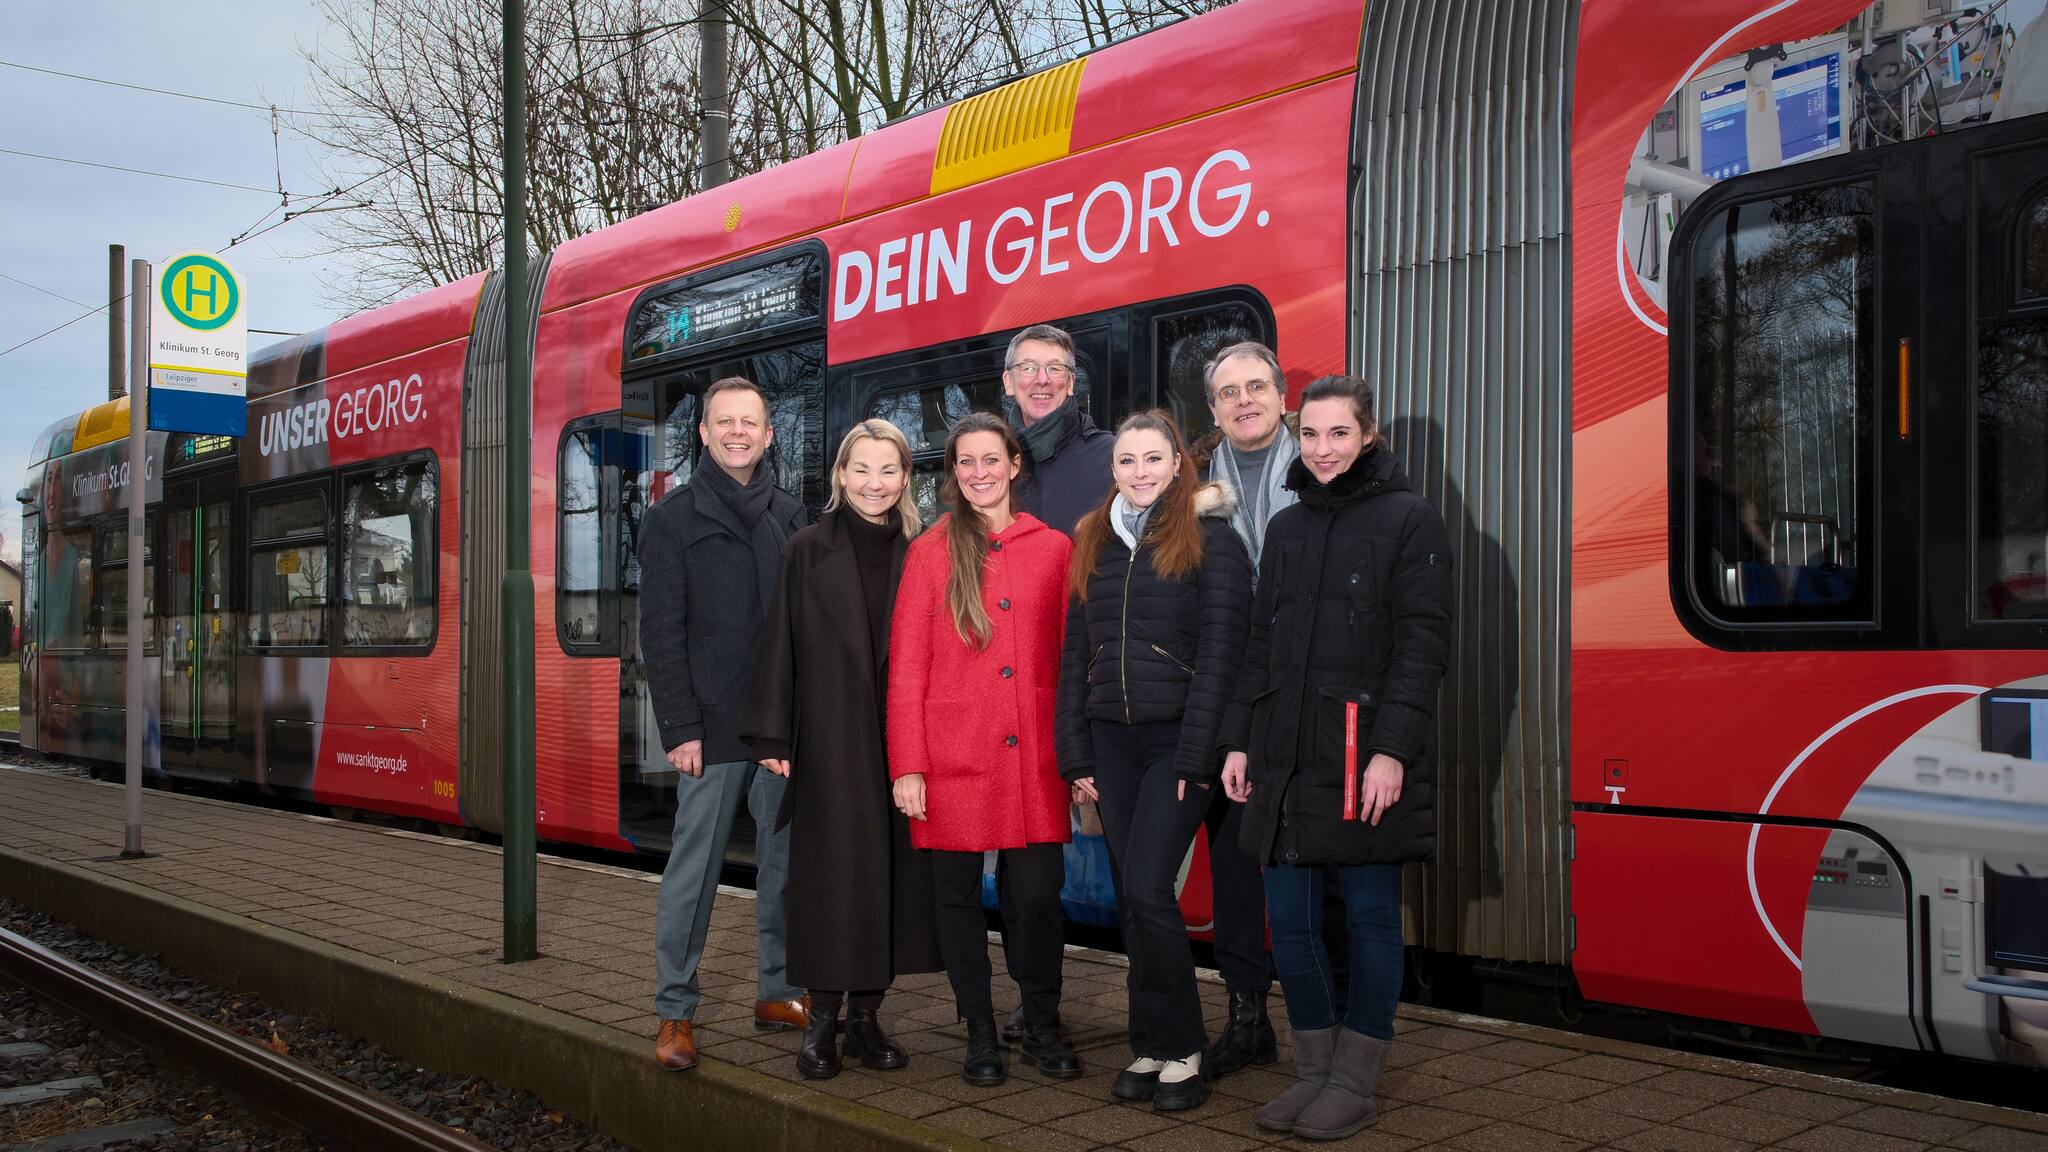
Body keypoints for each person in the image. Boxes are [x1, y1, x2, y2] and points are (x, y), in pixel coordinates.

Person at [1221, 375, 1454, 1142]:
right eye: (1311, 435)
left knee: (1369, 922)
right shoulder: (1286, 530)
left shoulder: (1411, 520)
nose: (1323, 451)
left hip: (1360, 757)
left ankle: (1354, 1083)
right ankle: (1314, 1074)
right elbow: (1261, 646)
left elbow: (1422, 651)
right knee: (1289, 925)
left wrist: (1391, 751)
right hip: (1284, 757)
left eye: (1339, 435)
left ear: (1369, 435)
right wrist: (1239, 740)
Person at [1056, 411, 1252, 1111]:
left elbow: (1226, 655)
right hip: (1110, 740)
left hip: (1178, 740)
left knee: (1146, 888)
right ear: (1113, 470)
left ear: (1178, 465)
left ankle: (1184, 1045)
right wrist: (1074, 754)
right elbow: (1076, 654)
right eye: (1126, 461)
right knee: (1130, 901)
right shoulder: (1093, 542)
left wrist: (1199, 754)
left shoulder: (1214, 541)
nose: (1139, 472)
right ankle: (1149, 1042)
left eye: (1152, 459)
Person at [743, 420, 944, 1080]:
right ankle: (822, 1020)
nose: (874, 483)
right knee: (832, 883)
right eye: (861, 469)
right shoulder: (805, 549)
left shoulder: (925, 551)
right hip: (829, 737)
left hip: (904, 743)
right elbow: (779, 644)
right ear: (840, 475)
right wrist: (772, 733)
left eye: (888, 470)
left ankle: (866, 1017)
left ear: (906, 478)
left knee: (892, 882)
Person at [886, 412, 1081, 1087]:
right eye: (965, 462)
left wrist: (1078, 758)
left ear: (1015, 464)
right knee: (957, 899)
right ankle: (977, 1029)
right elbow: (907, 665)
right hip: (951, 754)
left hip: (1034, 756)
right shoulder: (930, 551)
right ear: (953, 473)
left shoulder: (1054, 548)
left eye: (990, 459)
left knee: (1036, 899)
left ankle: (1041, 1021)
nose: (978, 472)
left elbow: (1072, 657)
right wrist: (907, 764)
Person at [642, 377, 811, 1072]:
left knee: (785, 868)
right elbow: (661, 632)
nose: (739, 432)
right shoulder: (672, 519)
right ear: (705, 434)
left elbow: (805, 630)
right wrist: (679, 726)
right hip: (708, 728)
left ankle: (778, 990)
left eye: (751, 422)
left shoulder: (793, 516)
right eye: (725, 422)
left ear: (769, 435)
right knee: (694, 871)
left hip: (779, 726)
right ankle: (675, 1011)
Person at [1196, 341, 1299, 1076]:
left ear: (1282, 394)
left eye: (1256, 386)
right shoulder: (1191, 492)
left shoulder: (1323, 469)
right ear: (1213, 410)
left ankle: (1329, 1028)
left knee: (1305, 868)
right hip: (1230, 700)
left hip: (1304, 702)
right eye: (1228, 392)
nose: (1243, 400)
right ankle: (1245, 1016)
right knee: (1234, 868)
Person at [1003, 324, 1115, 535]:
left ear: (1071, 382)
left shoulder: (1113, 457)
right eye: (1028, 368)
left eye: (1055, 369)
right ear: (1009, 382)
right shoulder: (989, 465)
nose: (1042, 380)